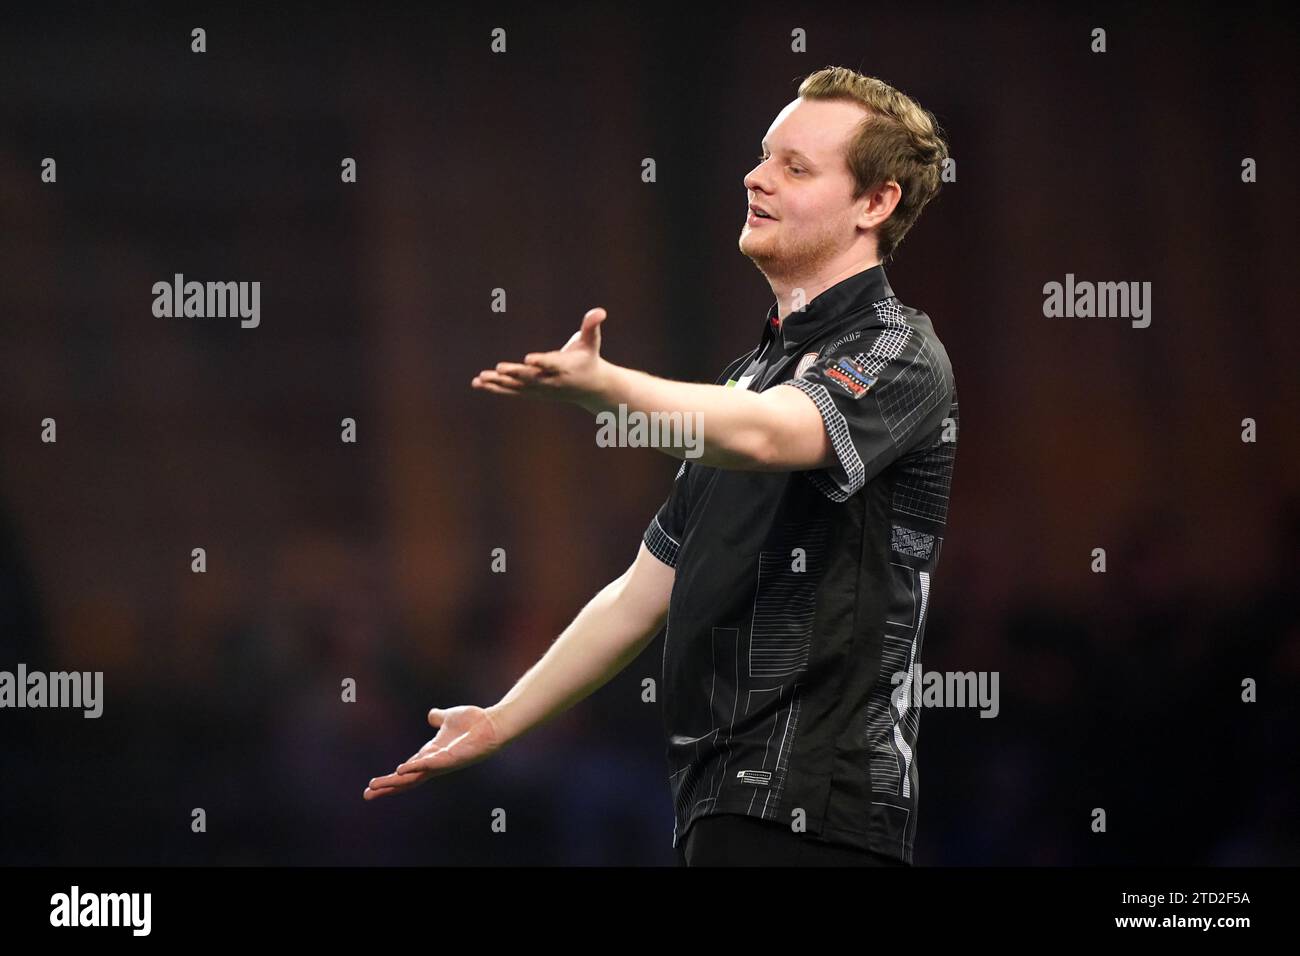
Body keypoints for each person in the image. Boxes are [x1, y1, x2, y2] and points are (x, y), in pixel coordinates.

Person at [364, 66, 957, 868]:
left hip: (822, 808)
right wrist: (503, 719)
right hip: (719, 804)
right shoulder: (744, 381)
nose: (756, 177)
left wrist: (608, 389)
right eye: (762, 156)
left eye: (796, 167)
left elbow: (775, 436)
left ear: (875, 204)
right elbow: (644, 589)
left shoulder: (899, 349)